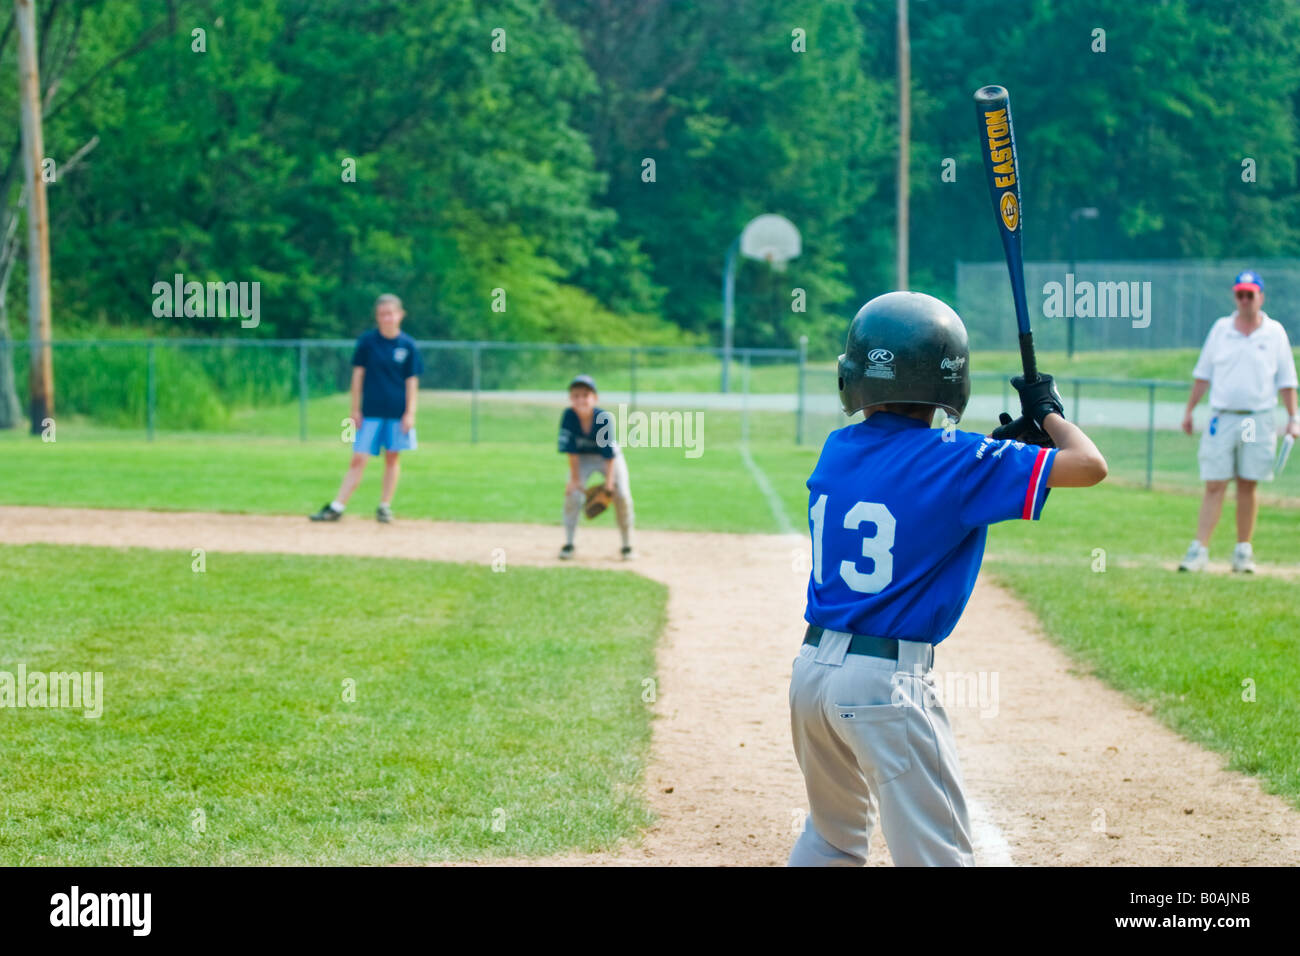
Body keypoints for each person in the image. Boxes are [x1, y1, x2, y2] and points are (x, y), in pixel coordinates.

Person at [787, 291, 1107, 867]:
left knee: (831, 841)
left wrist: (994, 453)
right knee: (938, 859)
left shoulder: (837, 449)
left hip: (811, 679)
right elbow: (1090, 466)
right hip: (886, 685)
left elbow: (913, 476)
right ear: (951, 384)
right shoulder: (961, 459)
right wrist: (1049, 411)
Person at [1177, 270, 1299, 573]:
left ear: (1261, 297)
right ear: (1235, 297)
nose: (1245, 300)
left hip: (1258, 419)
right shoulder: (1221, 329)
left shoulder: (1274, 333)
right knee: (1215, 484)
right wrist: (1190, 410)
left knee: (1248, 484)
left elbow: (1286, 380)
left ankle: (1243, 551)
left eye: (1250, 294)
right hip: (1223, 417)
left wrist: (1293, 417)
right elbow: (1202, 374)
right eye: (1240, 294)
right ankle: (1199, 550)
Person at [310, 294, 424, 524]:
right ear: (377, 317)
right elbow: (358, 376)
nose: (387, 318)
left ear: (400, 315)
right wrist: (355, 409)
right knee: (358, 458)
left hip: (396, 411)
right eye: (383, 314)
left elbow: (412, 381)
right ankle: (337, 506)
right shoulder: (368, 342)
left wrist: (410, 412)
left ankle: (384, 506)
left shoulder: (408, 345)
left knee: (392, 458)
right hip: (370, 411)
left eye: (391, 313)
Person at [557, 374, 635, 560]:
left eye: (586, 394)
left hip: (607, 458)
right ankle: (569, 544)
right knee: (572, 494)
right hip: (582, 458)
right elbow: (572, 451)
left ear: (595, 398)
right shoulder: (569, 416)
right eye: (576, 395)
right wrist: (575, 481)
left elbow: (609, 454)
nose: (581, 399)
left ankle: (627, 545)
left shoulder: (603, 418)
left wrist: (609, 484)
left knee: (622, 494)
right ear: (571, 398)